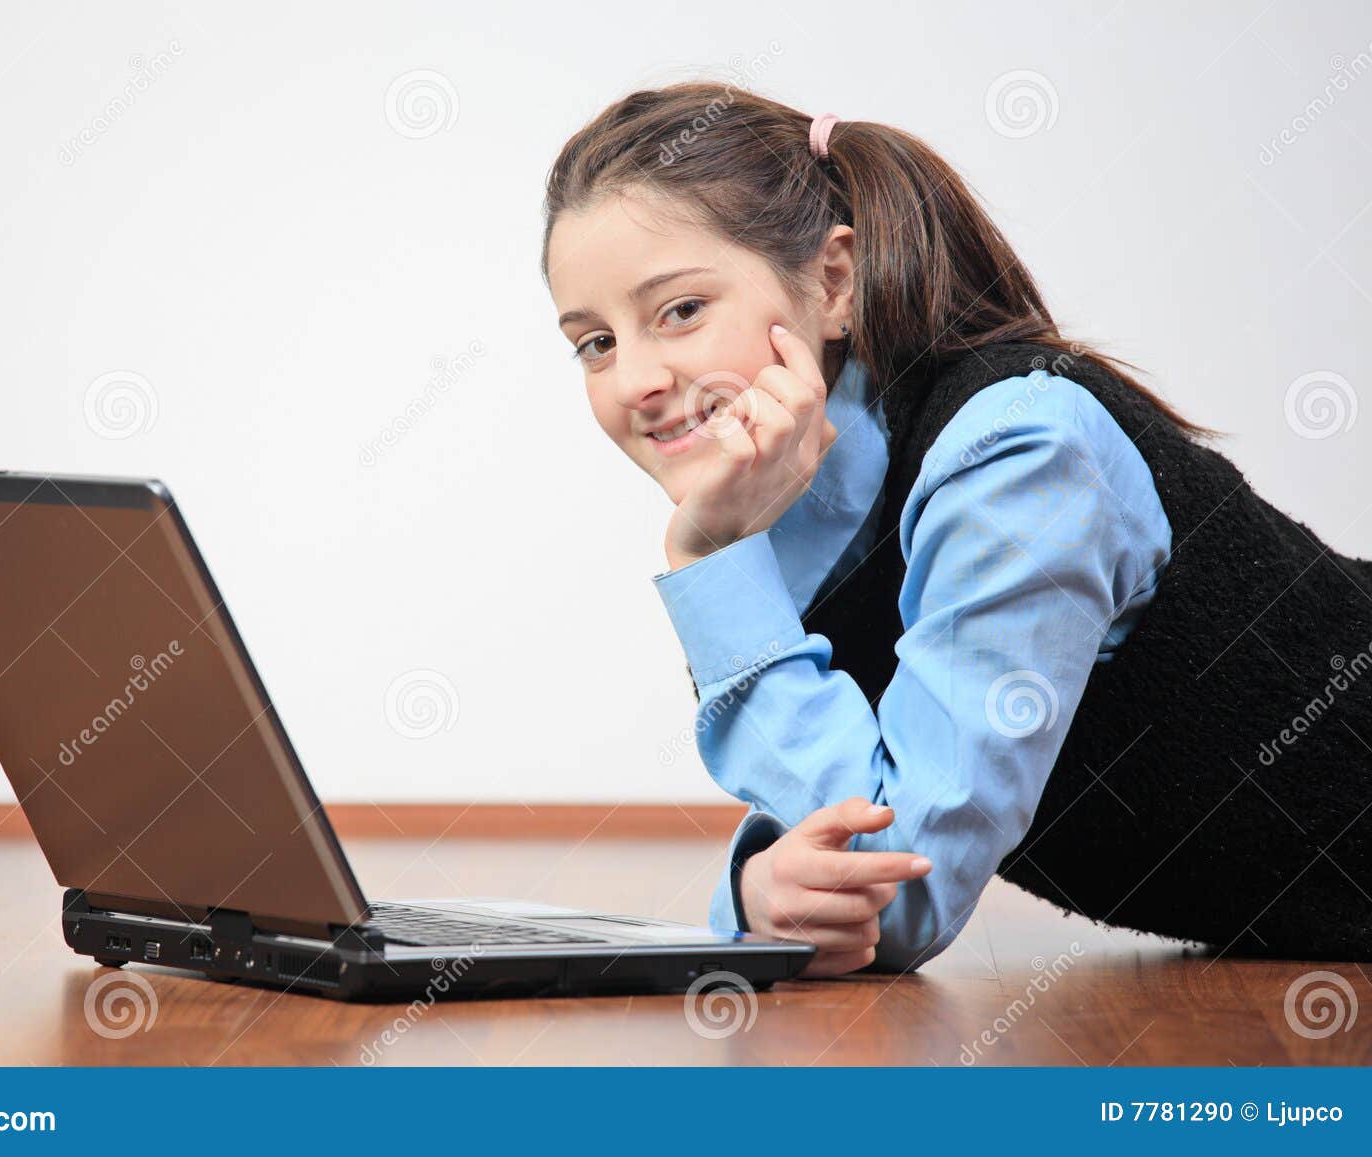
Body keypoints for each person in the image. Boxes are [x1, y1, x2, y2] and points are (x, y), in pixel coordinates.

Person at [540, 82, 1372, 977]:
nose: (634, 381)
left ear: (832, 283)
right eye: (596, 343)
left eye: (679, 311)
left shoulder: (1017, 456)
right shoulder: (778, 516)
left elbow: (898, 890)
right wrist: (758, 890)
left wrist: (708, 561)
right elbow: (858, 833)